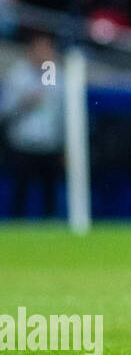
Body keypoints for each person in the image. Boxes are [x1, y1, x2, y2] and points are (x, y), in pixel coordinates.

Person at [2, 32, 65, 218]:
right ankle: (17, 228)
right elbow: (5, 112)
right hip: (22, 143)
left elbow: (63, 112)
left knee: (50, 194)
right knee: (20, 192)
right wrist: (24, 103)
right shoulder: (18, 74)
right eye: (39, 48)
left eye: (47, 49)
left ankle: (52, 230)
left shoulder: (57, 75)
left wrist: (64, 143)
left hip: (50, 145)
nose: (43, 53)